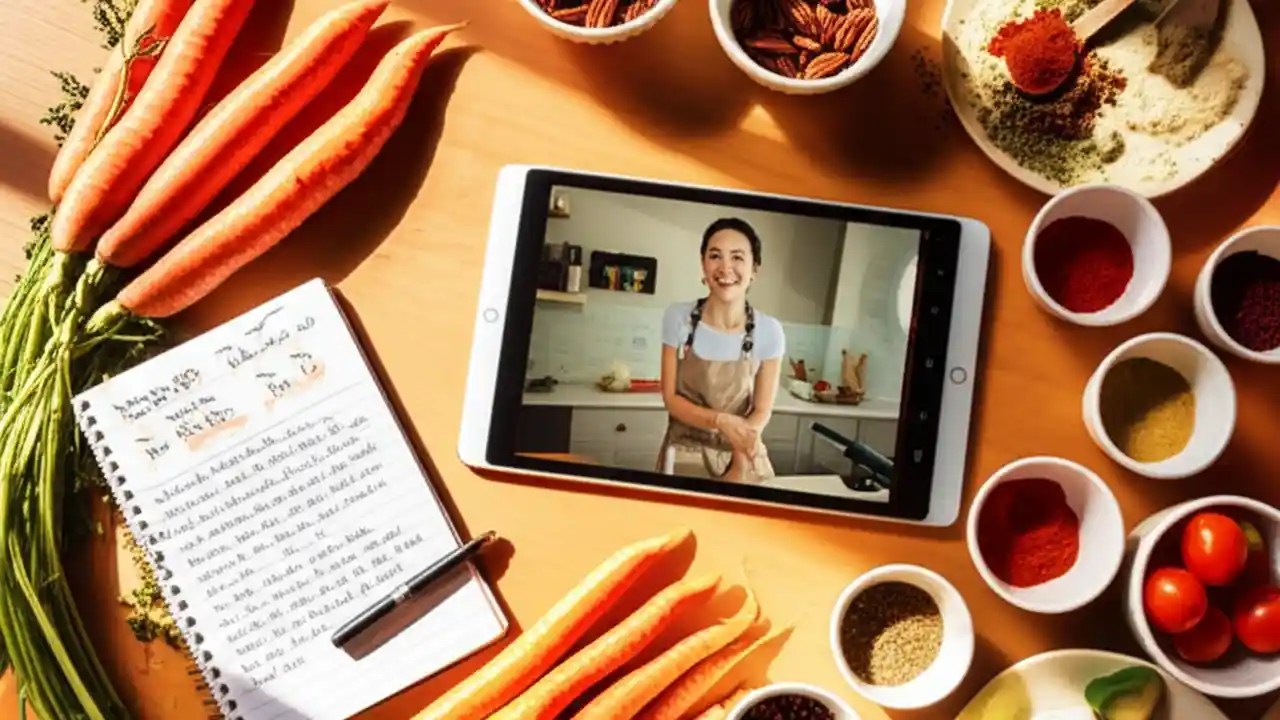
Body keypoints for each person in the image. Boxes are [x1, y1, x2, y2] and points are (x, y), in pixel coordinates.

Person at [657, 217, 785, 483]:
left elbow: (762, 410)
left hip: (743, 453)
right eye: (715, 256)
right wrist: (721, 421)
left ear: (754, 270)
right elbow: (671, 399)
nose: (725, 267)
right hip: (684, 452)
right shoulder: (678, 318)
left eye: (737, 257)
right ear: (703, 264)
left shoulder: (770, 330)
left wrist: (739, 460)